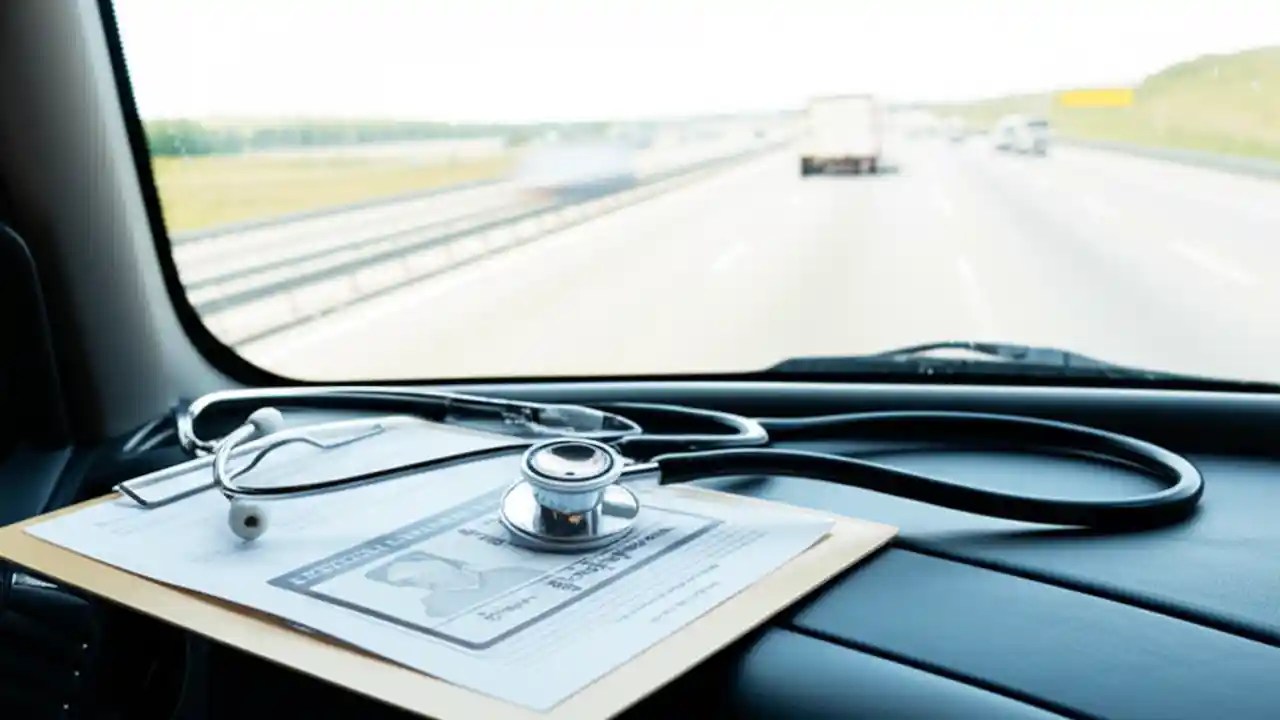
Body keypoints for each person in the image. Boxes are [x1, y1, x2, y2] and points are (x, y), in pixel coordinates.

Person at [365, 550, 542, 618]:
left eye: (411, 576)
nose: (418, 583)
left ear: (435, 561)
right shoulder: (436, 608)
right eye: (406, 584)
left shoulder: (507, 569)